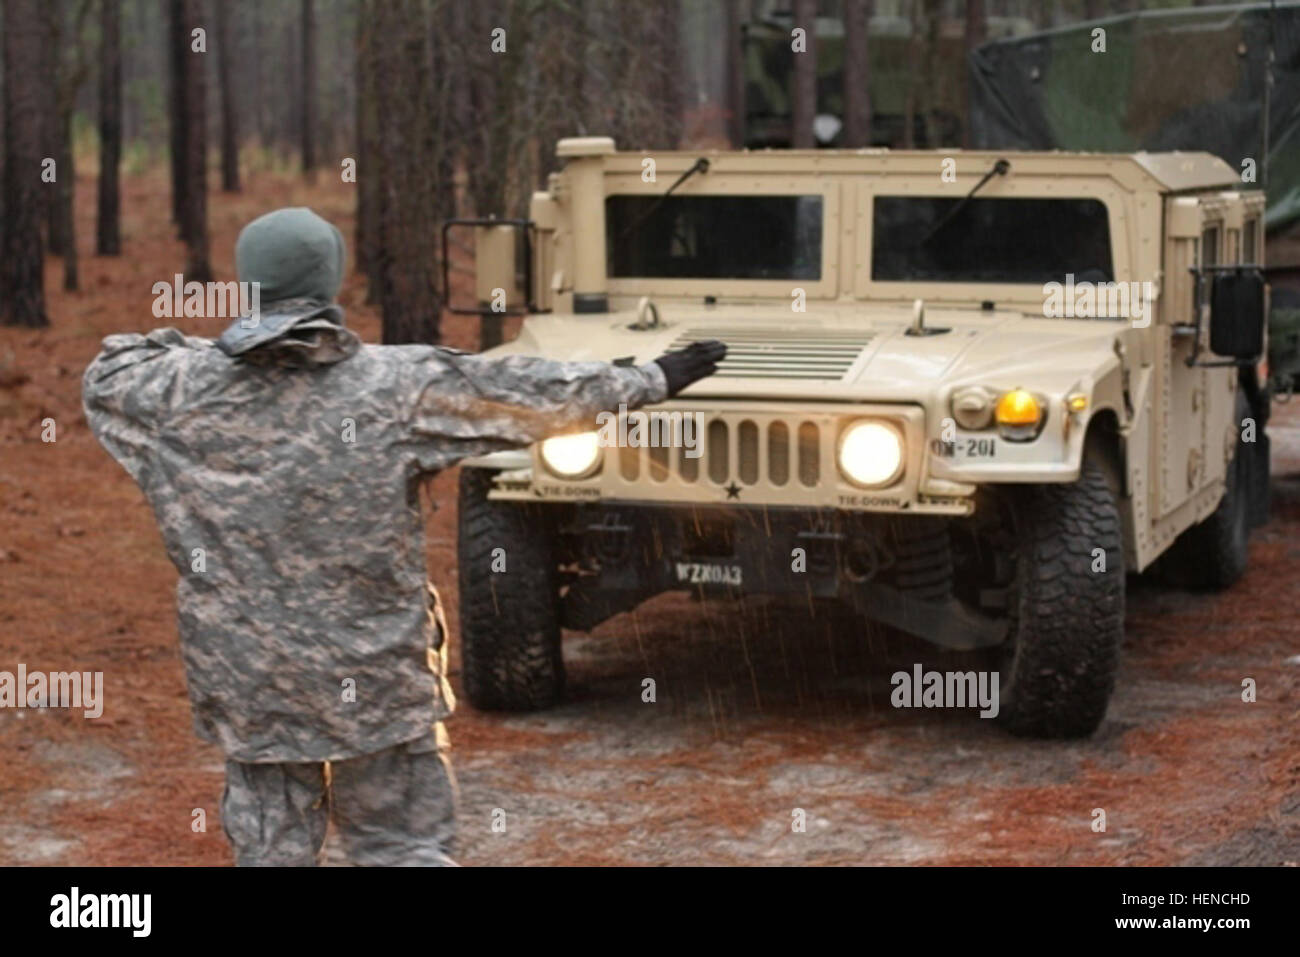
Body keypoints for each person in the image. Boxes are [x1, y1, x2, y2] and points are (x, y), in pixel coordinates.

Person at [82, 207, 725, 866]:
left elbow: (112, 365)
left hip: (253, 686)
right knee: (402, 848)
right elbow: (522, 394)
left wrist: (237, 345)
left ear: (247, 284)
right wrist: (648, 379)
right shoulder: (396, 386)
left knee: (271, 854)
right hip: (376, 678)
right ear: (330, 283)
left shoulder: (171, 391)